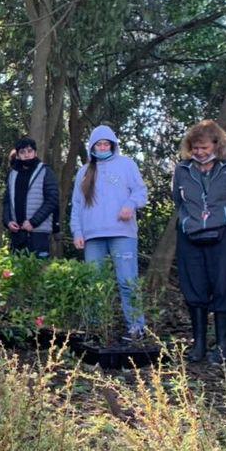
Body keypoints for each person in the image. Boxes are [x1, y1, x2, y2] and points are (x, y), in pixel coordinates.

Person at [173, 120, 226, 363]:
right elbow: (178, 201)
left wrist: (221, 219)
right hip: (190, 237)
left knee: (224, 288)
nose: (199, 152)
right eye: (195, 148)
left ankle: (223, 348)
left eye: (204, 147)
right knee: (194, 289)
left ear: (217, 145)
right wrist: (191, 222)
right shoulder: (182, 170)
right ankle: (199, 346)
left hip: (225, 236)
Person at [70, 125, 149, 341]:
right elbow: (76, 205)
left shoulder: (126, 165)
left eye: (107, 144)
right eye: (99, 144)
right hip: (92, 236)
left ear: (113, 145)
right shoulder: (84, 172)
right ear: (92, 147)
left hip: (122, 233)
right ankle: (96, 328)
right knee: (95, 283)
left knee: (127, 281)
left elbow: (141, 192)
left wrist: (130, 205)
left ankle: (136, 328)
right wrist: (77, 231)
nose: (103, 147)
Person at [3, 137, 59, 257]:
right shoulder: (12, 174)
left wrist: (33, 222)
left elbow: (52, 200)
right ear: (17, 155)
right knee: (16, 273)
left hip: (38, 233)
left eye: (29, 151)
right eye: (22, 152)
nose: (27, 155)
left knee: (39, 272)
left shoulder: (45, 172)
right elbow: (6, 201)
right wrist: (8, 222)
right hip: (17, 234)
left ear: (35, 152)